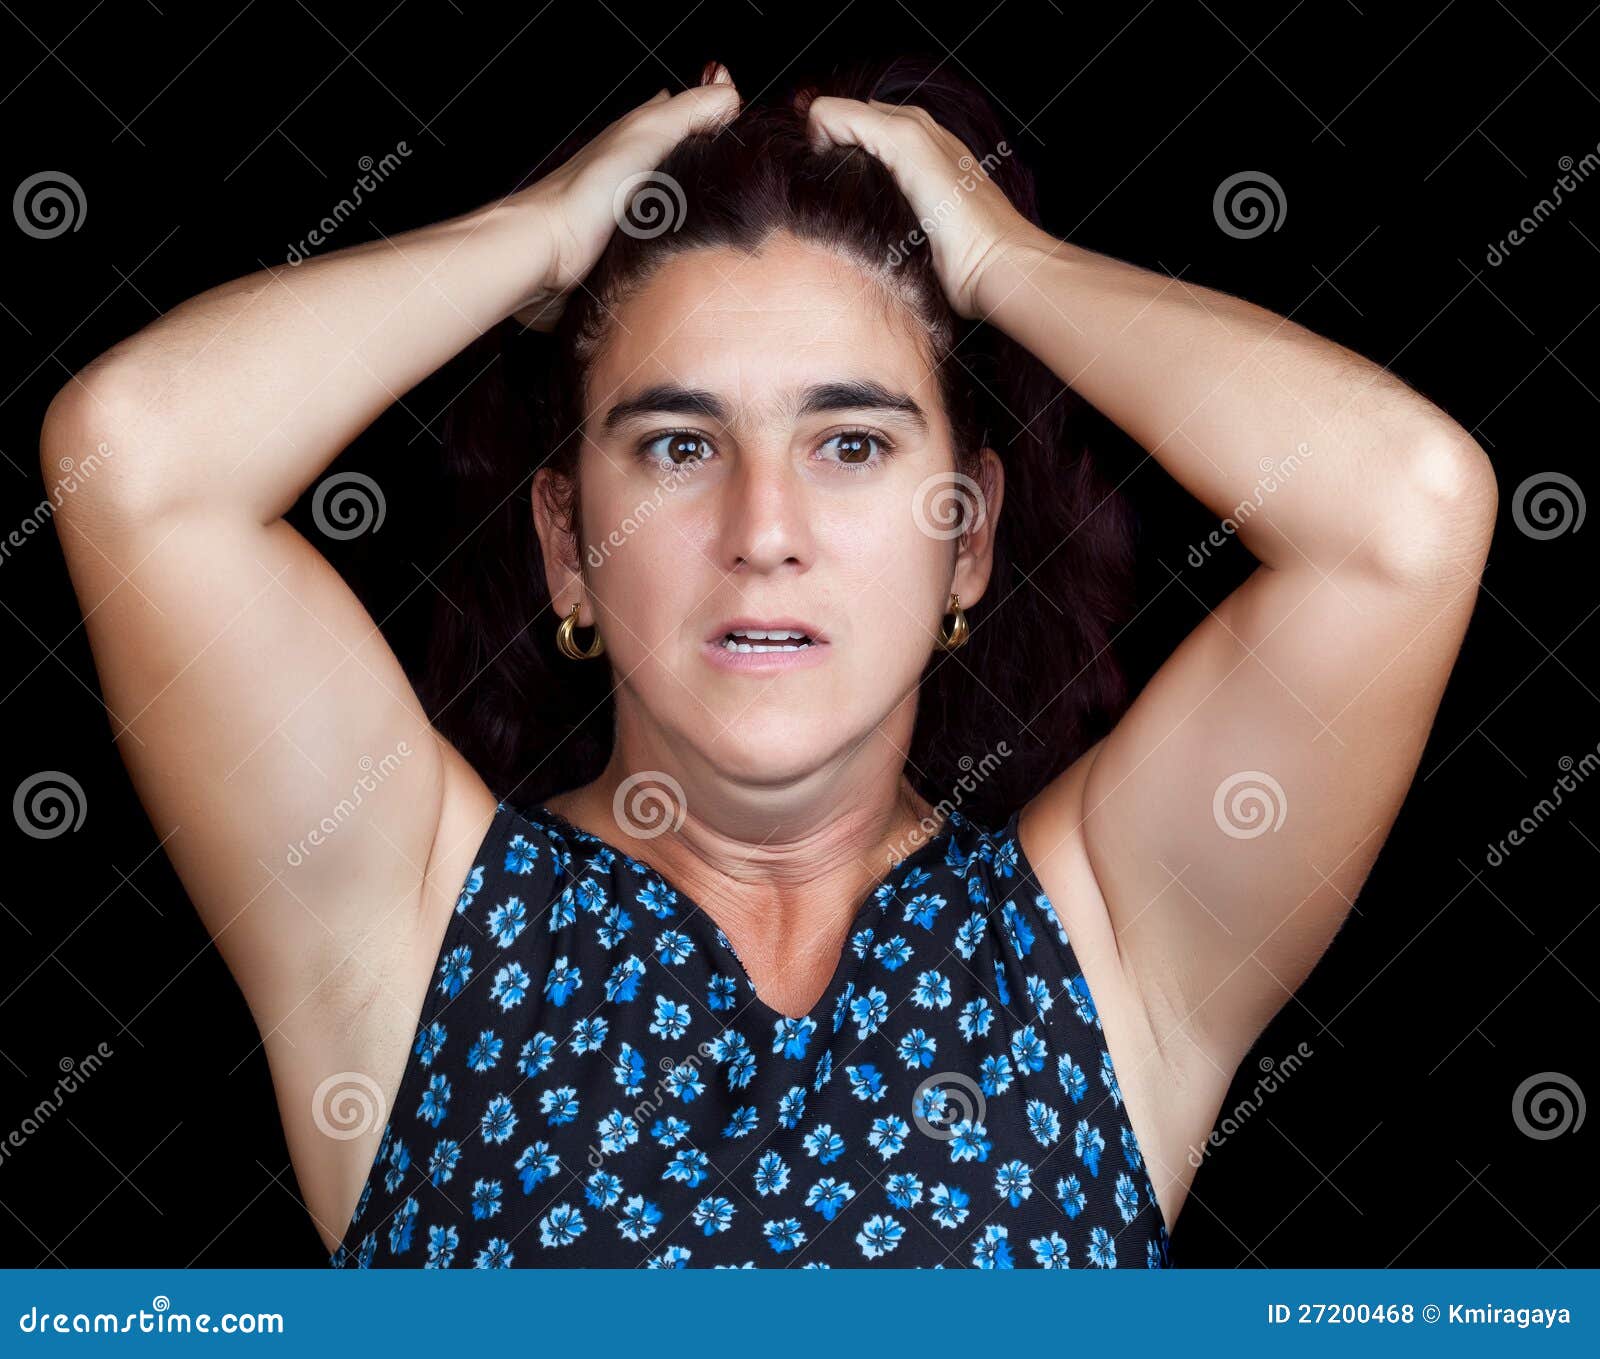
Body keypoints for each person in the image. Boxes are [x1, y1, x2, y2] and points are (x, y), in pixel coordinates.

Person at [41, 55, 1496, 1268]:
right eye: (680, 445)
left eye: (851, 444)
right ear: (568, 546)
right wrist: (535, 241)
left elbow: (1403, 511)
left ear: (967, 536)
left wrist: (1005, 265)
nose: (765, 529)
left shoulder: (1110, 947)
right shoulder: (406, 930)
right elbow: (139, 460)